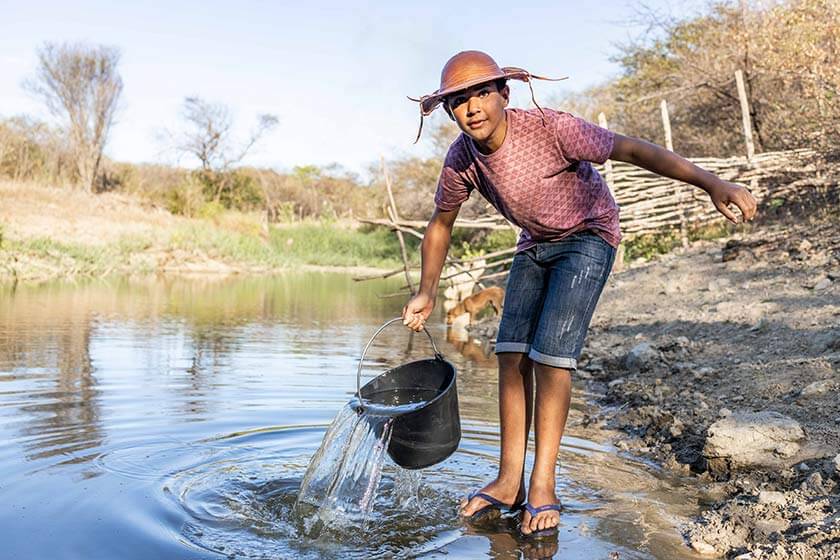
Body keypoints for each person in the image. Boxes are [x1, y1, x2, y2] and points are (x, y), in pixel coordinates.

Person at [401, 50, 757, 538]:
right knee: (509, 355)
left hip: (589, 234)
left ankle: (542, 482)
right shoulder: (462, 159)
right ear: (448, 112)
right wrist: (426, 290)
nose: (472, 107)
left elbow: (631, 149)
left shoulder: (551, 128)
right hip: (536, 244)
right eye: (459, 101)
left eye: (482, 92)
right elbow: (441, 225)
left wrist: (711, 183)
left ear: (504, 94)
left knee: (551, 357)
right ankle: (509, 481)